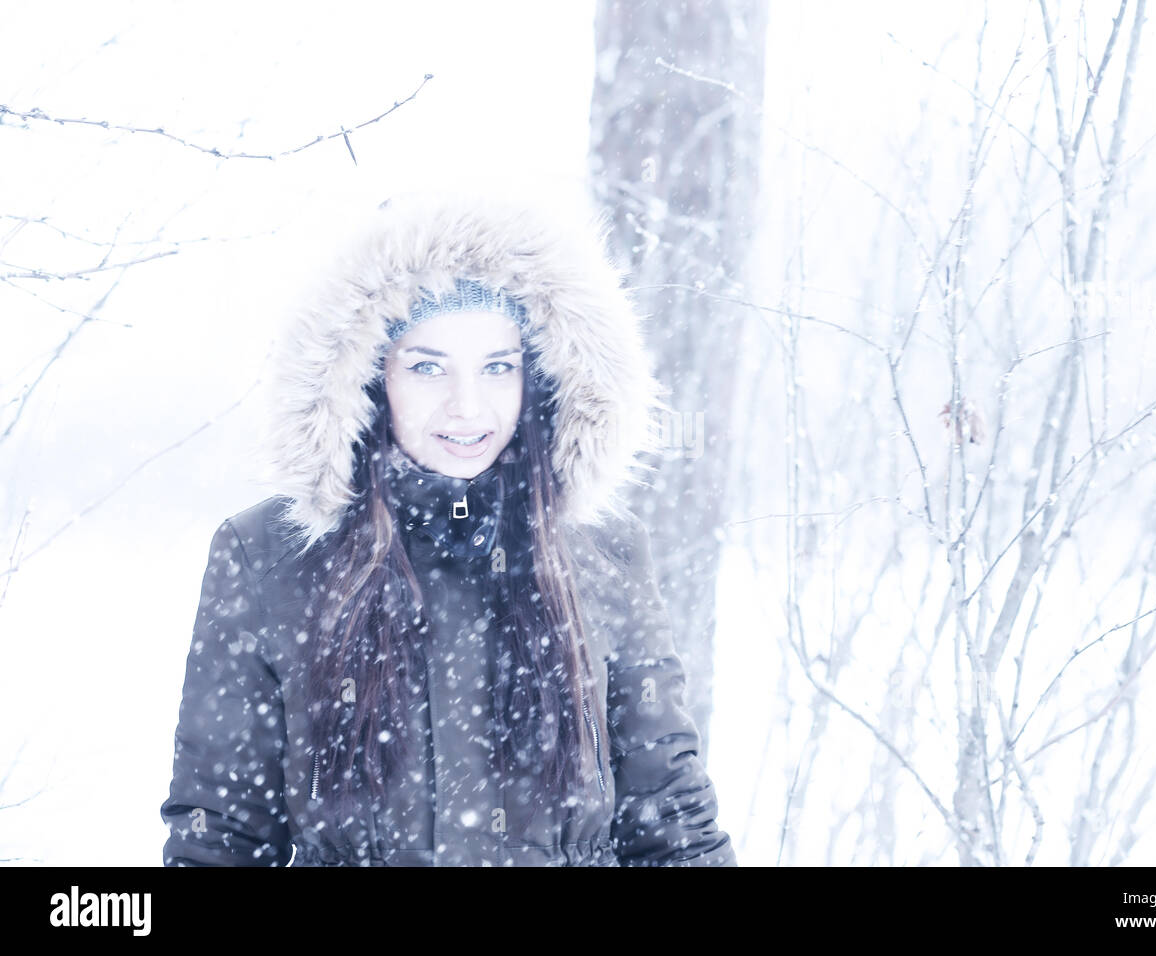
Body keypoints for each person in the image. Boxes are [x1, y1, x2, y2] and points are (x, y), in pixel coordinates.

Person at [159, 192, 737, 867]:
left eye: (498, 367)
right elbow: (219, 835)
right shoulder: (270, 558)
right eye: (428, 366)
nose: (468, 407)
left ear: (540, 378)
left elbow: (671, 819)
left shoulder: (601, 552)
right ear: (372, 378)